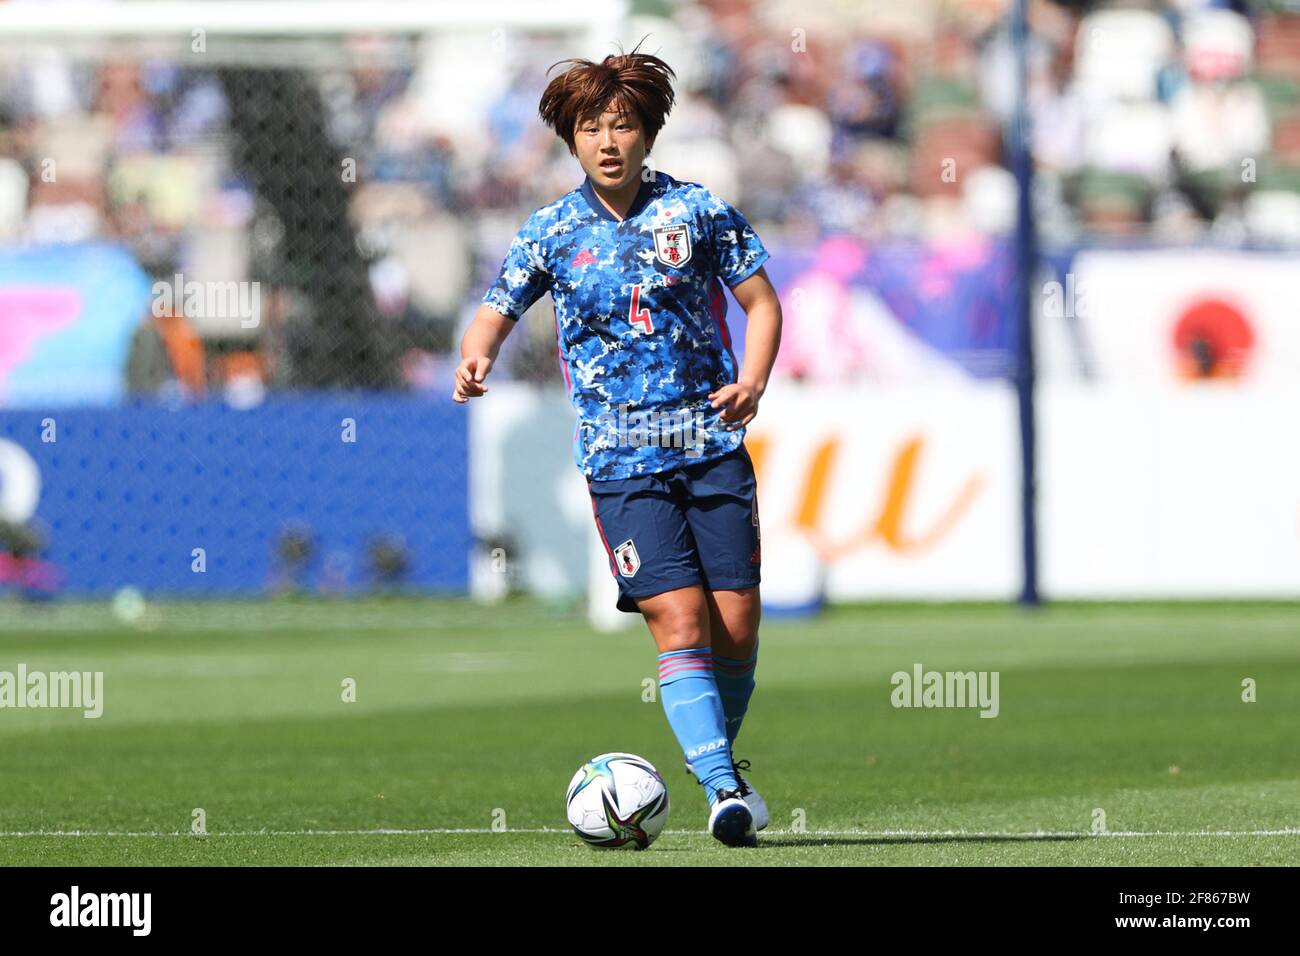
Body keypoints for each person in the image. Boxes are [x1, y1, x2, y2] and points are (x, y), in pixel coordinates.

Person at [452, 45, 782, 847]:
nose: (608, 140)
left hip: (708, 442)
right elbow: (497, 307)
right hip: (622, 459)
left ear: (648, 133)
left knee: (734, 624)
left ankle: (719, 766)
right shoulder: (551, 231)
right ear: (570, 139)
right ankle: (722, 789)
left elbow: (762, 303)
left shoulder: (697, 211)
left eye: (623, 125)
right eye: (591, 126)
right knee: (678, 616)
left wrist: (756, 381)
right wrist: (477, 354)